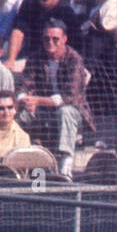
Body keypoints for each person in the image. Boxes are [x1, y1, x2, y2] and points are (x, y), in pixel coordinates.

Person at [20, 19, 93, 176]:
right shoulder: (35, 57)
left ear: (64, 39)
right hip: (43, 110)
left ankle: (66, 162)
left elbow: (69, 96)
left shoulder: (74, 59)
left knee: (65, 111)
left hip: (74, 112)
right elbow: (24, 85)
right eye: (46, 38)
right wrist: (26, 100)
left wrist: (37, 100)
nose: (50, 42)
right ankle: (20, 157)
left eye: (55, 39)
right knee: (21, 114)